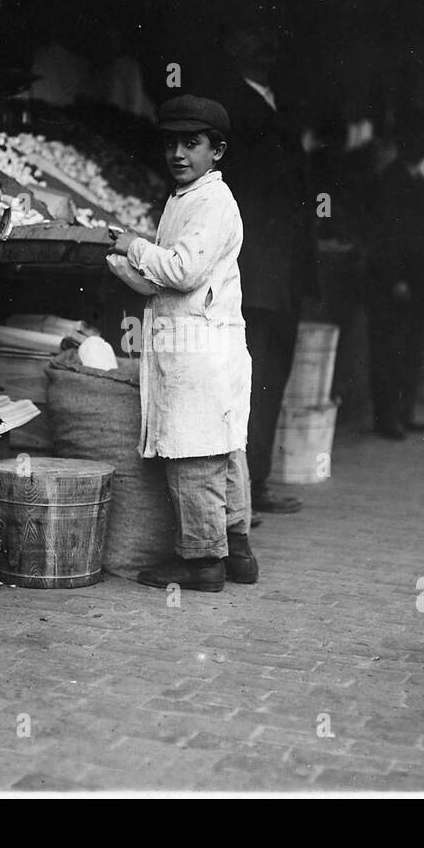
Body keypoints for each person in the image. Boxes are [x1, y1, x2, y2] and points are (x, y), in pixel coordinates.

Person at [108, 95, 257, 591]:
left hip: (201, 348)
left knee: (194, 452)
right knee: (226, 448)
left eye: (191, 144)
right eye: (171, 142)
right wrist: (125, 267)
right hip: (203, 342)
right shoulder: (185, 198)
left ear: (217, 151)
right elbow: (165, 279)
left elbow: (184, 269)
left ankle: (201, 563)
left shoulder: (213, 201)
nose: (178, 153)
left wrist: (135, 246)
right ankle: (236, 552)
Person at [208, 13, 318, 514]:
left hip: (284, 269)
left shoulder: (277, 104)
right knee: (251, 380)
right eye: (254, 33)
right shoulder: (231, 106)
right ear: (234, 45)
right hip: (255, 269)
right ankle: (242, 493)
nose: (267, 43)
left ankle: (257, 483)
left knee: (272, 378)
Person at [365, 107, 424, 438]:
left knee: (412, 351)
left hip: (420, 282)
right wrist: (394, 278)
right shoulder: (390, 181)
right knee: (389, 353)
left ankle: (405, 411)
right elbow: (385, 237)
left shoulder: (420, 181)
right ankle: (388, 418)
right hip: (393, 284)